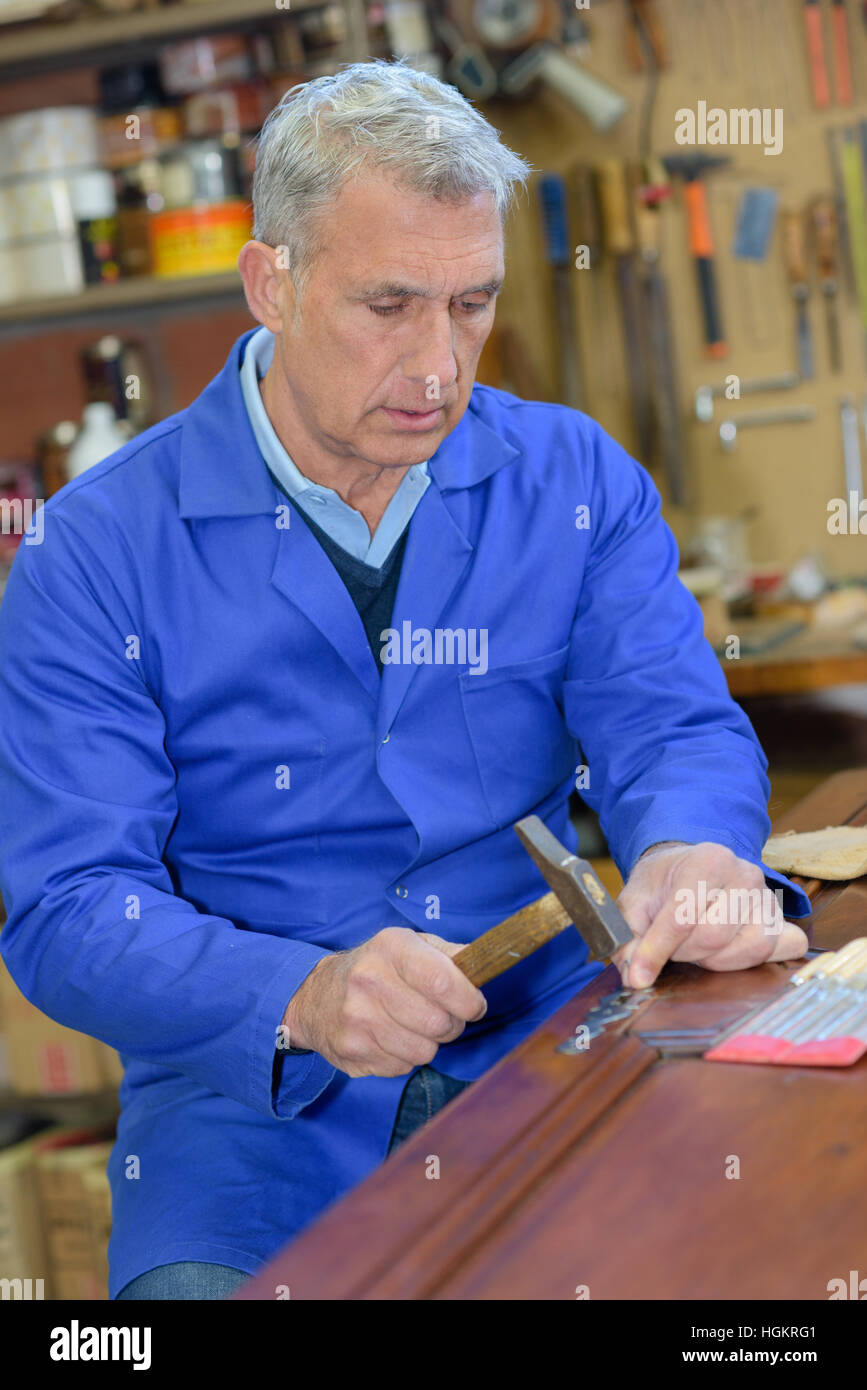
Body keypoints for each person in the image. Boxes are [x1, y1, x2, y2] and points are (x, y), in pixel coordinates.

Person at [0, 60, 809, 1301]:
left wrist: (696, 848)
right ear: (271, 281)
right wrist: (300, 995)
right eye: (390, 306)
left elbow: (673, 728)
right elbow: (64, 905)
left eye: (471, 303)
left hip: (557, 1035)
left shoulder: (570, 480)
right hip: (253, 1113)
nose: (441, 365)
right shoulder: (97, 552)